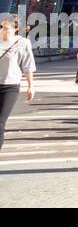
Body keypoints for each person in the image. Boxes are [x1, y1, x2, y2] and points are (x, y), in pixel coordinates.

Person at [0, 17, 35, 151]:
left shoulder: (23, 43)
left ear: (16, 29)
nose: (2, 30)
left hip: (9, 86)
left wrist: (31, 86)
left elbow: (28, 65)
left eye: (6, 27)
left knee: (0, 122)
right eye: (1, 27)